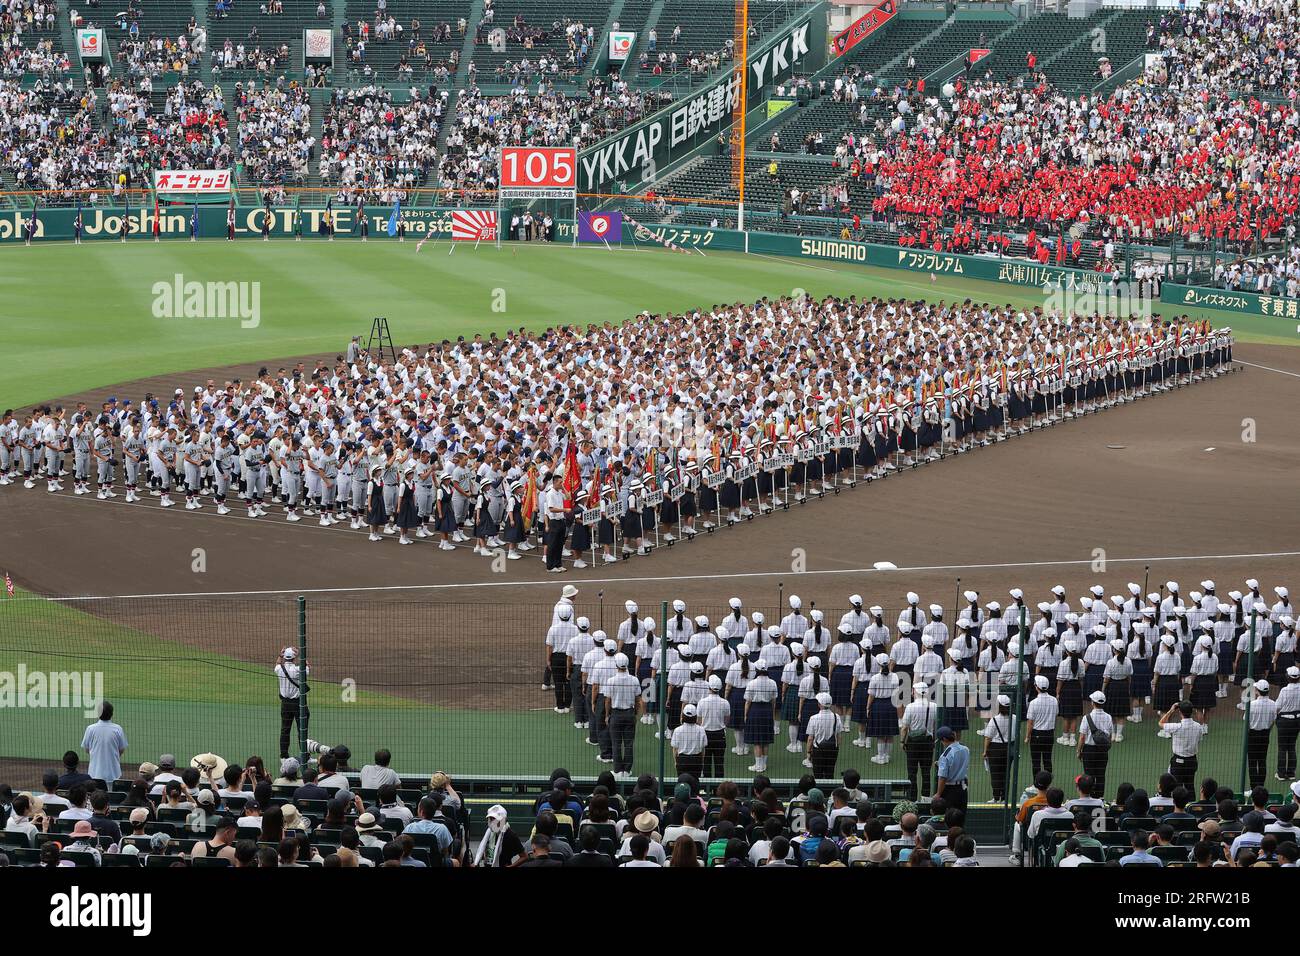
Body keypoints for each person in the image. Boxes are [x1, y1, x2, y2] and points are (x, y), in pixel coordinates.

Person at [604, 652, 641, 779]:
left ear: (616, 665)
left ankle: (618, 770)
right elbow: (637, 698)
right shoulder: (634, 680)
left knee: (616, 743)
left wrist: (607, 715)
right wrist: (636, 711)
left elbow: (608, 700)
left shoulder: (611, 680)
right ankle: (627, 770)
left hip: (616, 714)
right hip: (629, 713)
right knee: (629, 743)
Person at [900, 681, 938, 800]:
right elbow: (936, 725)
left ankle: (912, 798)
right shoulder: (934, 706)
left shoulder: (910, 707)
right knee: (926, 771)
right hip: (928, 741)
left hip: (913, 742)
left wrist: (902, 741)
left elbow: (905, 727)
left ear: (914, 692)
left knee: (912, 772)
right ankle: (926, 798)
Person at [1158, 700, 1206, 792]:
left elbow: (1161, 723)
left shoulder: (1176, 727)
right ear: (1192, 712)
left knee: (1177, 787)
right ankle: (1191, 805)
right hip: (1192, 761)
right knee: (1190, 786)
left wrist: (1171, 710)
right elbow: (1199, 740)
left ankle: (1178, 805)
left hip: (1178, 762)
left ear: (1180, 712)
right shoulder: (1198, 727)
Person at [80, 701, 127, 785]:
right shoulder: (118, 729)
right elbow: (121, 749)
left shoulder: (90, 729)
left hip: (94, 774)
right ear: (112, 714)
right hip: (114, 774)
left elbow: (87, 749)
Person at [275, 647, 309, 760]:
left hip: (285, 704)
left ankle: (283, 756)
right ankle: (305, 755)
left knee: (285, 730)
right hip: (298, 704)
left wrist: (280, 655)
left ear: (284, 658)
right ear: (294, 659)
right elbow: (307, 666)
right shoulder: (299, 670)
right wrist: (300, 656)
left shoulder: (279, 668)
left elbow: (277, 663)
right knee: (302, 729)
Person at [1079, 690, 1114, 798]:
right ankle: (1100, 798)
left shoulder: (1087, 717)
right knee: (1101, 774)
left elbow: (1082, 737)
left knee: (1088, 775)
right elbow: (1110, 736)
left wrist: (1078, 750)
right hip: (1102, 750)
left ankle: (1089, 797)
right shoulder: (1108, 717)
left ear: (1093, 703)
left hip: (1089, 750)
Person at [1245, 679, 1278, 789]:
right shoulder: (1273, 704)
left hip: (1253, 735)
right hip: (1265, 734)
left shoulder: (1252, 705)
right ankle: (1261, 787)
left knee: (1252, 762)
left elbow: (1246, 721)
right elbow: (1273, 720)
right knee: (1262, 760)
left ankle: (1253, 788)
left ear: (1257, 691)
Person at [934, 726, 970, 812]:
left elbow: (943, 777)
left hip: (950, 790)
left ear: (945, 739)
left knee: (949, 818)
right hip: (962, 789)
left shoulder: (946, 755)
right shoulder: (965, 749)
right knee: (961, 817)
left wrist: (938, 794)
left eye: (941, 740)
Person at [806, 692, 840, 780]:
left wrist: (808, 752)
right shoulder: (837, 717)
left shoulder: (813, 718)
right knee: (830, 773)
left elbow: (810, 739)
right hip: (832, 749)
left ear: (820, 704)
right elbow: (839, 736)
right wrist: (836, 747)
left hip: (818, 750)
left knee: (817, 775)